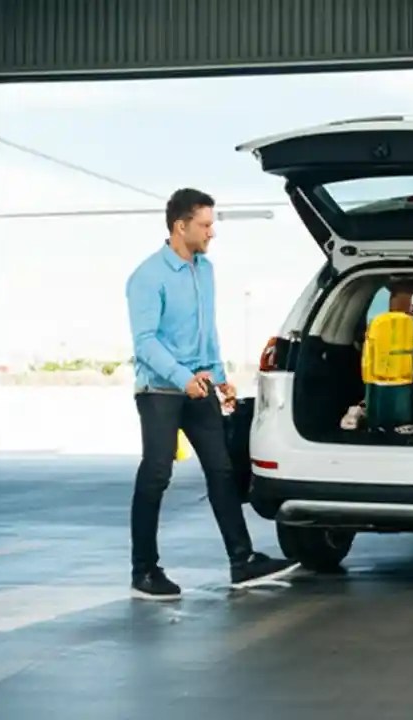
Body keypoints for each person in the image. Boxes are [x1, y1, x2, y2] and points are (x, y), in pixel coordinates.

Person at [125, 187, 294, 600]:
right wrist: (182, 377)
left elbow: (207, 331)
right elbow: (145, 341)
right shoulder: (148, 276)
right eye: (205, 224)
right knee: (157, 473)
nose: (211, 232)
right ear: (180, 226)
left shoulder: (206, 270)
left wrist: (219, 376)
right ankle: (144, 571)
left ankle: (243, 560)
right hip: (160, 390)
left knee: (221, 471)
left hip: (199, 388)